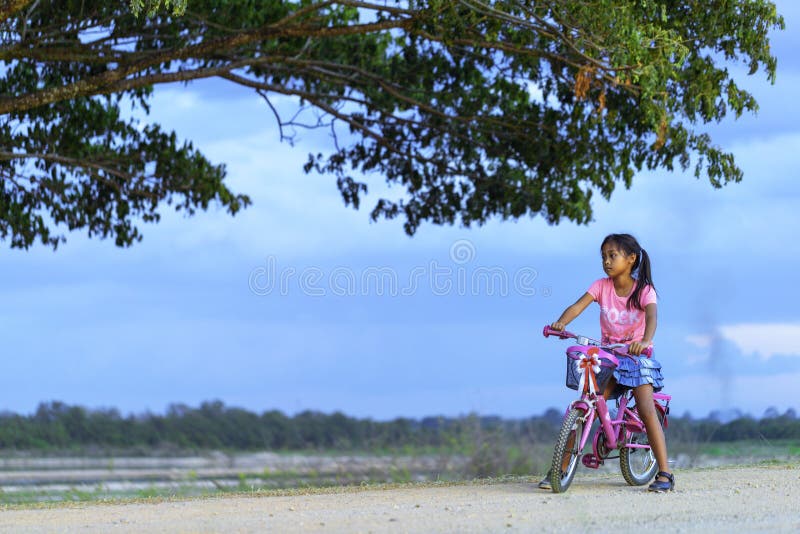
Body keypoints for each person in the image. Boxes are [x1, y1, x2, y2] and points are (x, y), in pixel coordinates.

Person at [539, 233, 674, 492]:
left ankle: (665, 473)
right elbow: (578, 306)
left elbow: (652, 316)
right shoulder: (601, 286)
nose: (607, 261)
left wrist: (645, 341)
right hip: (610, 356)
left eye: (613, 256)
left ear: (631, 259)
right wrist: (561, 323)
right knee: (590, 399)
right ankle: (560, 468)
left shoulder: (644, 290)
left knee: (646, 409)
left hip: (637, 358)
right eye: (604, 257)